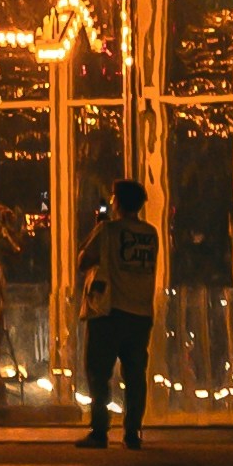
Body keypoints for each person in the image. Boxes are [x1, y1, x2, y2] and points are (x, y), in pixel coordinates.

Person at [71, 179, 158, 448]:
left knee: (99, 373)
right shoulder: (151, 233)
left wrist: (98, 227)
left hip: (109, 312)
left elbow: (83, 261)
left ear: (117, 202)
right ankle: (132, 433)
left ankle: (100, 431)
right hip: (141, 312)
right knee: (135, 376)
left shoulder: (107, 231)